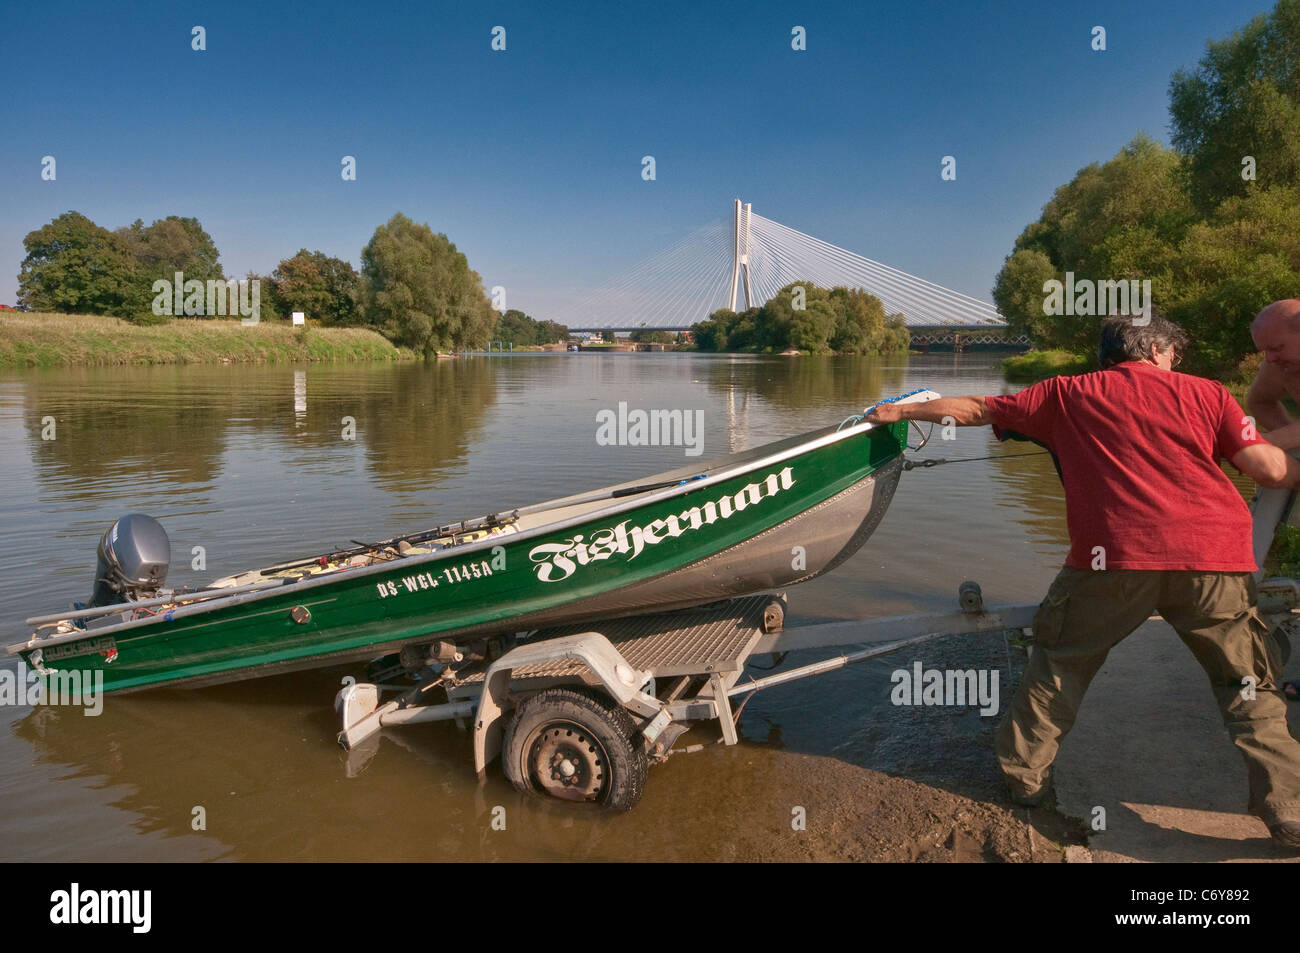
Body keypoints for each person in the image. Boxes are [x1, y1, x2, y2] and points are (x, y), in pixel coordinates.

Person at [867, 313, 1300, 849]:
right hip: (1214, 558)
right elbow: (1269, 470)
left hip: (1111, 559)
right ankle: (1287, 811)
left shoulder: (1065, 393)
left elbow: (975, 409)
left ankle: (1023, 779)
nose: (1174, 363)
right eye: (1173, 353)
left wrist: (900, 410)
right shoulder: (1208, 394)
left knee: (1063, 661)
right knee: (1246, 685)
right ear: (1157, 348)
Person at [1246, 299, 1300, 701]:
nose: (1271, 359)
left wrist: (1256, 446)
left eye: (1278, 348)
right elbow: (1259, 402)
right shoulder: (1279, 367)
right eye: (1265, 350)